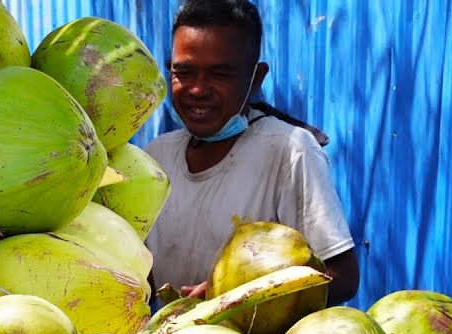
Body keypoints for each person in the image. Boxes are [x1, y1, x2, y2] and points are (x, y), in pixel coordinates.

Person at [145, 0, 359, 304]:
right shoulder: (156, 158)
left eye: (220, 74)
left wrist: (243, 295)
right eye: (185, 72)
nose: (197, 89)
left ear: (255, 78)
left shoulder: (288, 151)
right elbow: (144, 276)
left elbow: (342, 278)